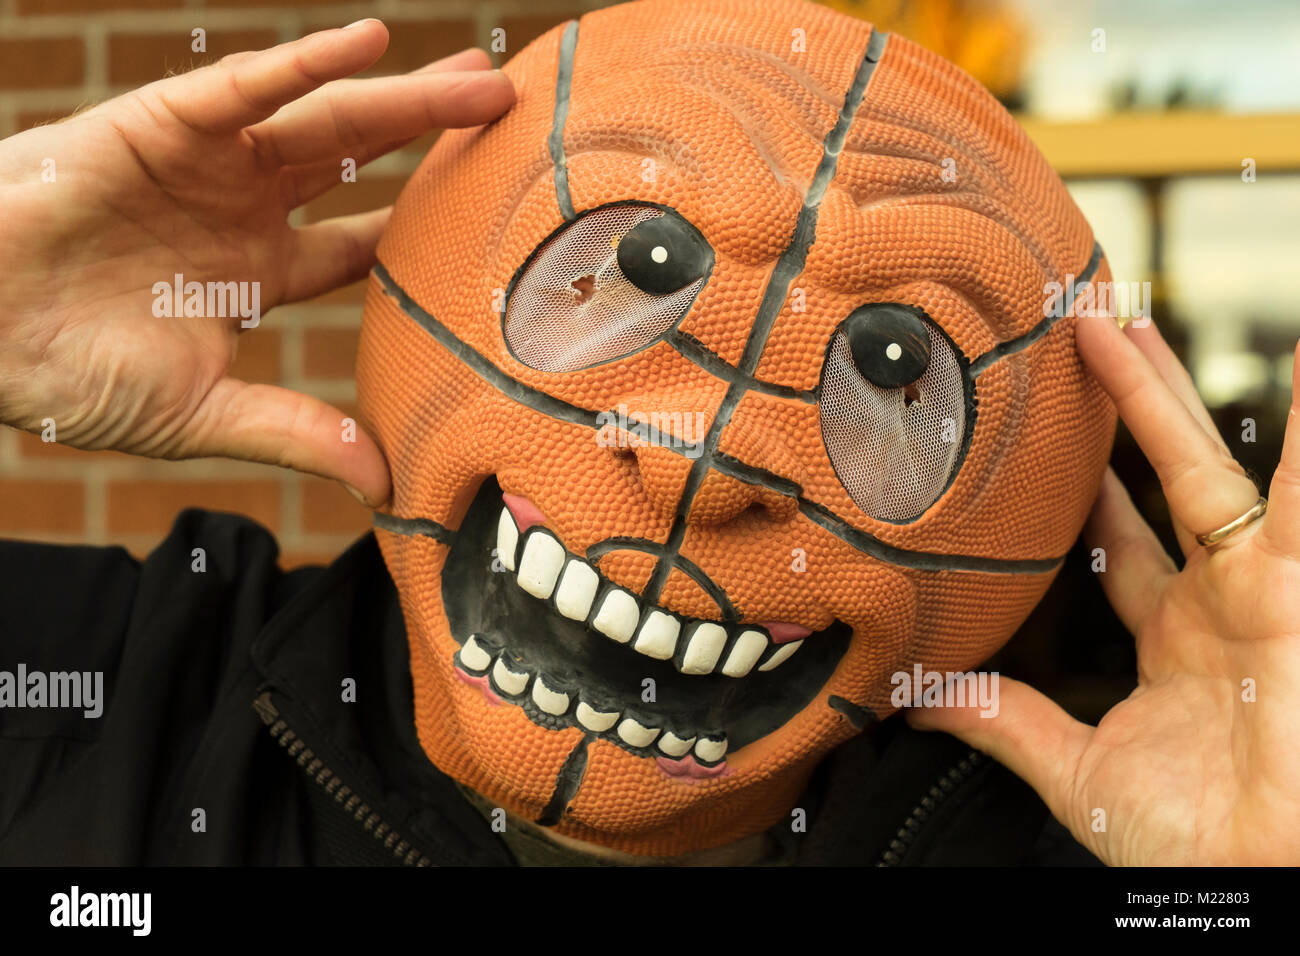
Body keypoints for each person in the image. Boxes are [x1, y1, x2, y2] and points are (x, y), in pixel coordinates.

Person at [0, 19, 1296, 867]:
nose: (698, 464)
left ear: (1040, 510)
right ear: (423, 281)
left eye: (897, 371)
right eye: (640, 265)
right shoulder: (86, 696)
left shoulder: (1111, 849)